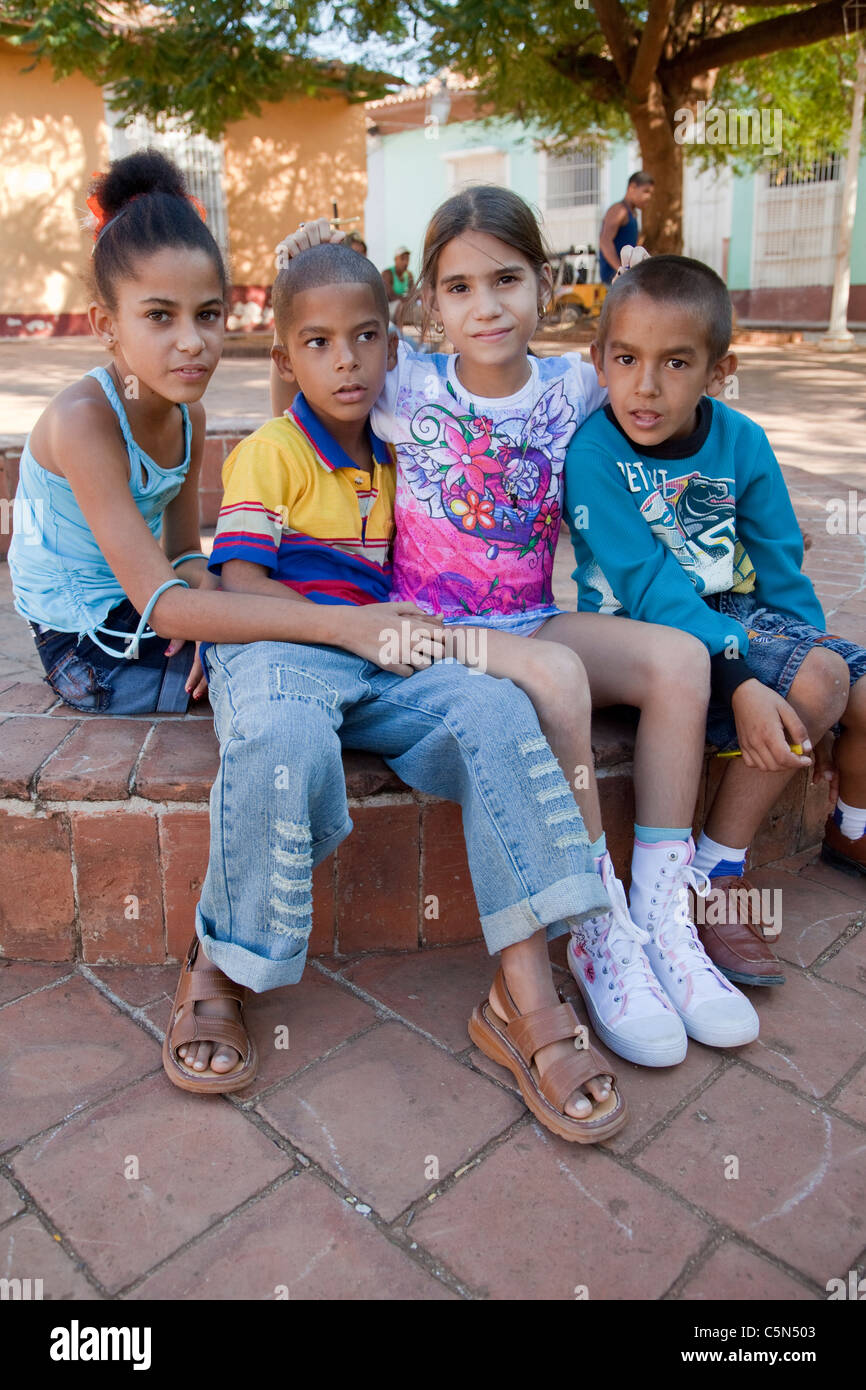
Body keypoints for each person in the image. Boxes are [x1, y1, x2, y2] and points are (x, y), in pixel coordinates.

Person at [274, 191, 759, 1066]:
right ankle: (596, 922)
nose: (485, 306)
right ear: (427, 304)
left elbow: (672, 412)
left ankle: (660, 917)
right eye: (457, 288)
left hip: (533, 616)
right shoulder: (403, 382)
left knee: (682, 662)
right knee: (557, 679)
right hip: (433, 633)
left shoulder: (577, 389)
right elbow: (304, 393)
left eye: (505, 280)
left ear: (544, 284)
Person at [174, 239, 631, 1143]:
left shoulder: (401, 446)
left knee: (501, 712)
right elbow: (238, 588)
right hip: (284, 645)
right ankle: (221, 964)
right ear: (284, 358)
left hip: (387, 657)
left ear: (394, 348)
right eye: (317, 343)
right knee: (284, 743)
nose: (344, 361)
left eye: (365, 338)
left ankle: (522, 992)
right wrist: (347, 626)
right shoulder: (271, 452)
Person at [7, 150, 417, 716]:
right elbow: (165, 607)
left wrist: (213, 594)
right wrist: (338, 624)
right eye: (159, 316)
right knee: (278, 663)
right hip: (88, 645)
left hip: (149, 605)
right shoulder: (86, 421)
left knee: (267, 612)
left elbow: (179, 555)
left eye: (207, 314)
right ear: (106, 324)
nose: (192, 341)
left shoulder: (185, 417)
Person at [564, 254, 862, 989]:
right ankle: (712, 875)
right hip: (643, 636)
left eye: (675, 362)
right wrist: (758, 677)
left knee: (840, 678)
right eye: (626, 358)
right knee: (819, 684)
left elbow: (783, 568)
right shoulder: (595, 455)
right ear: (598, 359)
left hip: (736, 614)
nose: (646, 385)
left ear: (718, 370)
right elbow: (650, 590)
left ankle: (850, 828)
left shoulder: (741, 441)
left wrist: (802, 649)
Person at [598, 173, 654, 286]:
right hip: (616, 280)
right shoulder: (619, 210)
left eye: (651, 193)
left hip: (628, 279)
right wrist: (621, 271)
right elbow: (605, 242)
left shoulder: (633, 214)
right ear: (632, 188)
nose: (649, 197)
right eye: (646, 191)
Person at [382, 245, 415, 321]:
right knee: (399, 305)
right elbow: (391, 297)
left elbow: (414, 294)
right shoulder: (387, 273)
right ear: (395, 259)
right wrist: (408, 299)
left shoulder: (409, 275)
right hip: (388, 308)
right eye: (402, 259)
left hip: (402, 305)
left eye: (407, 259)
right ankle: (399, 331)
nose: (405, 262)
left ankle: (424, 331)